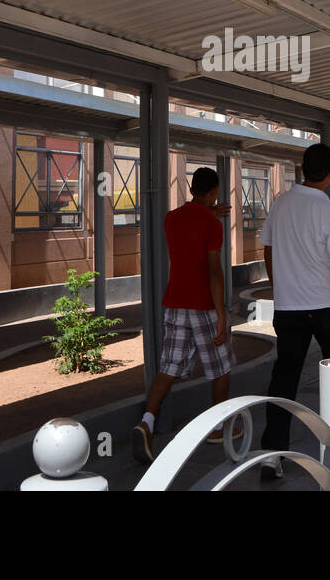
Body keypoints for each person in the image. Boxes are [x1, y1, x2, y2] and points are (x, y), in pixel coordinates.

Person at [258, 142, 330, 480]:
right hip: (327, 307)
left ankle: (272, 455)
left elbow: (268, 251)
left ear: (302, 169)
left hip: (288, 309)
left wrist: (279, 286)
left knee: (284, 380)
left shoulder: (280, 205)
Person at [132, 167, 234, 462]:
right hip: (203, 305)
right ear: (213, 191)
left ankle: (147, 422)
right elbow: (214, 270)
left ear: (192, 189)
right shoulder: (213, 226)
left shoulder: (170, 219)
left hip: (174, 303)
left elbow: (191, 224)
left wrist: (209, 211)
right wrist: (221, 313)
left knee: (169, 367)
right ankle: (217, 426)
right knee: (221, 366)